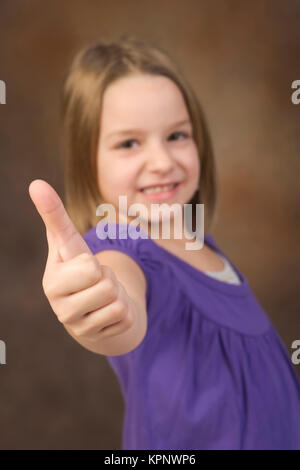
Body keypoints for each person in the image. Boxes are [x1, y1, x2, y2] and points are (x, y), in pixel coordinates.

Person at [29, 35, 300, 450]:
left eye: (177, 136)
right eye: (129, 143)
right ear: (89, 161)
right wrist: (105, 308)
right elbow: (122, 308)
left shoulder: (199, 244)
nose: (162, 162)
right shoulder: (118, 249)